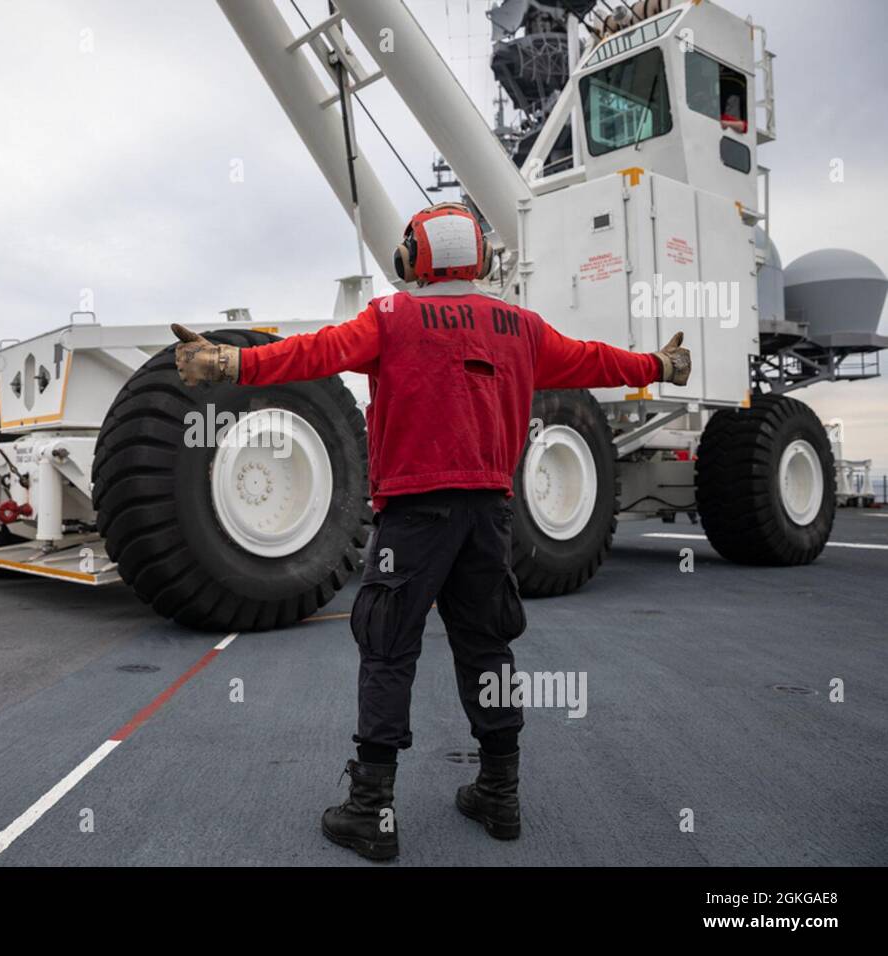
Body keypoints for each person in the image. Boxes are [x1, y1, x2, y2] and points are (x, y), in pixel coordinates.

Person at [171, 202, 691, 861]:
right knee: (488, 648)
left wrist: (227, 364)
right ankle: (500, 796)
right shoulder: (521, 326)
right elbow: (593, 361)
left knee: (389, 649)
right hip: (489, 515)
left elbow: (314, 354)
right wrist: (659, 366)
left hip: (415, 514)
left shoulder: (391, 318)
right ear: (479, 257)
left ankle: (372, 813)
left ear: (414, 257)